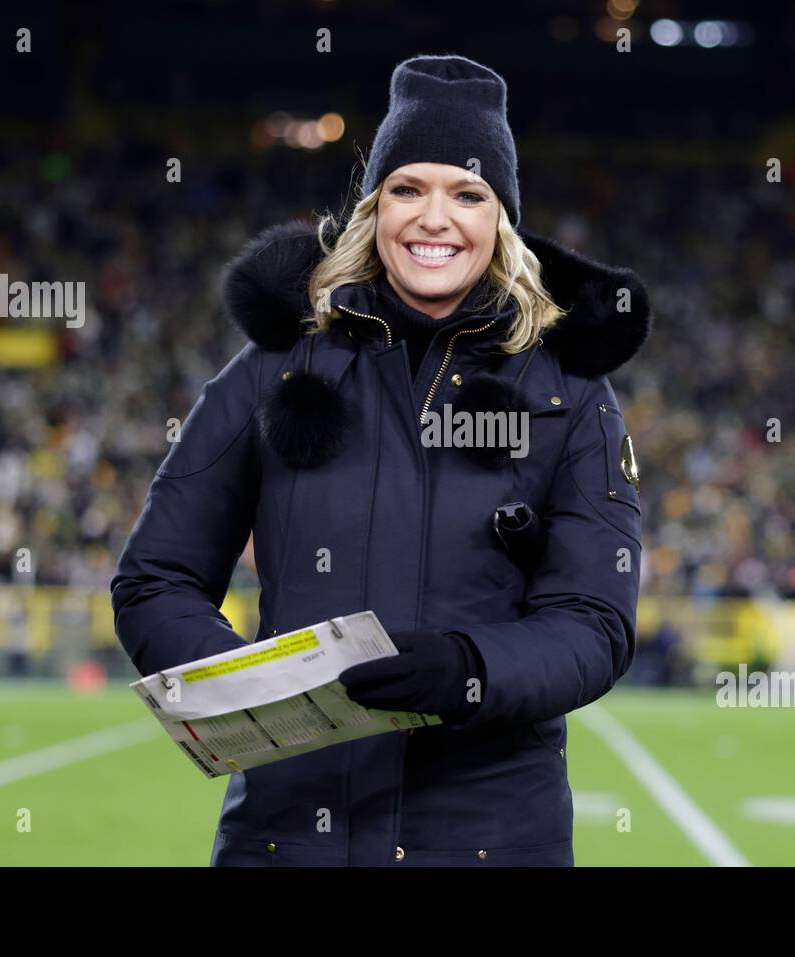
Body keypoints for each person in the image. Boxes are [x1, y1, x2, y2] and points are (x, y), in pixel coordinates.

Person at [110, 54, 651, 866]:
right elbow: (155, 577)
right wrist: (249, 687)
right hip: (290, 837)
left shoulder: (570, 395)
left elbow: (596, 623)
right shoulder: (272, 368)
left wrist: (467, 668)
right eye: (408, 188)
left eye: (467, 194)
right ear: (374, 207)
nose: (436, 218)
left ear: (500, 218)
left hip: (492, 842)